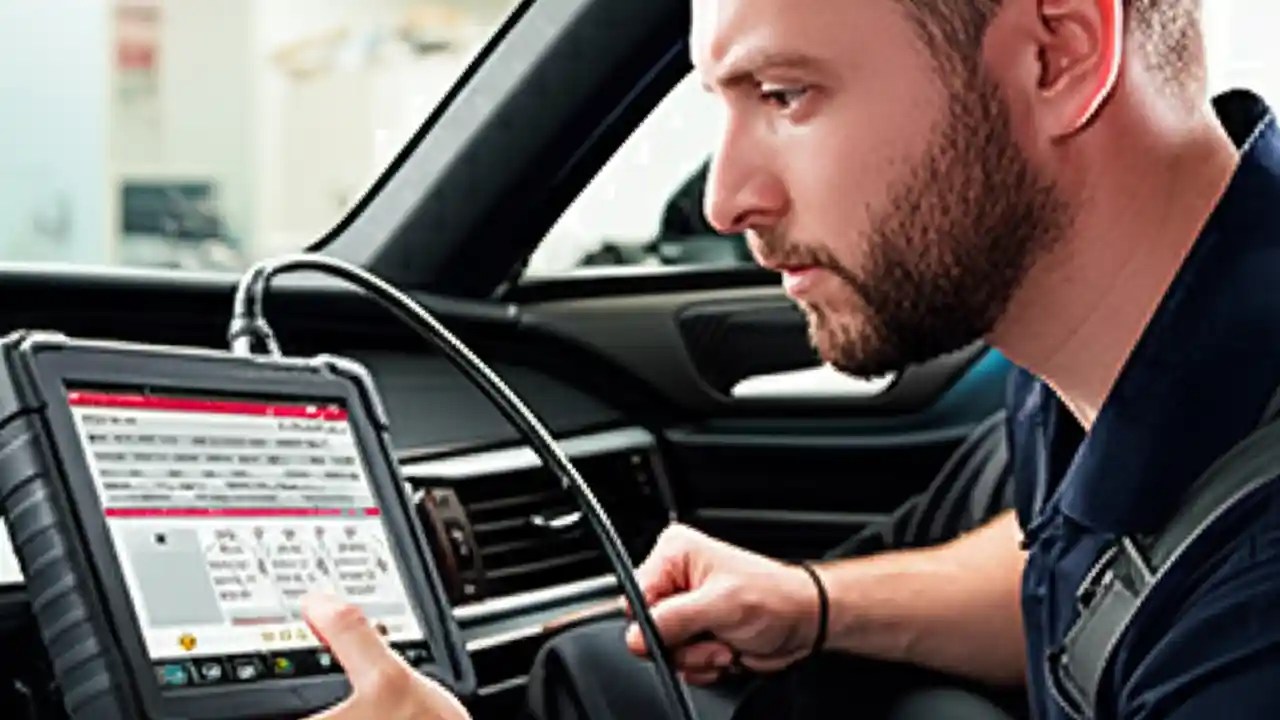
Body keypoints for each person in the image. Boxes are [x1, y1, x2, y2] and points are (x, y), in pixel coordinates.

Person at [303, 0, 1280, 717]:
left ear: (1055, 56)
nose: (725, 199)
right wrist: (816, 605)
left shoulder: (1254, 612)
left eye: (785, 94)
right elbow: (1104, 573)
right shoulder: (1110, 335)